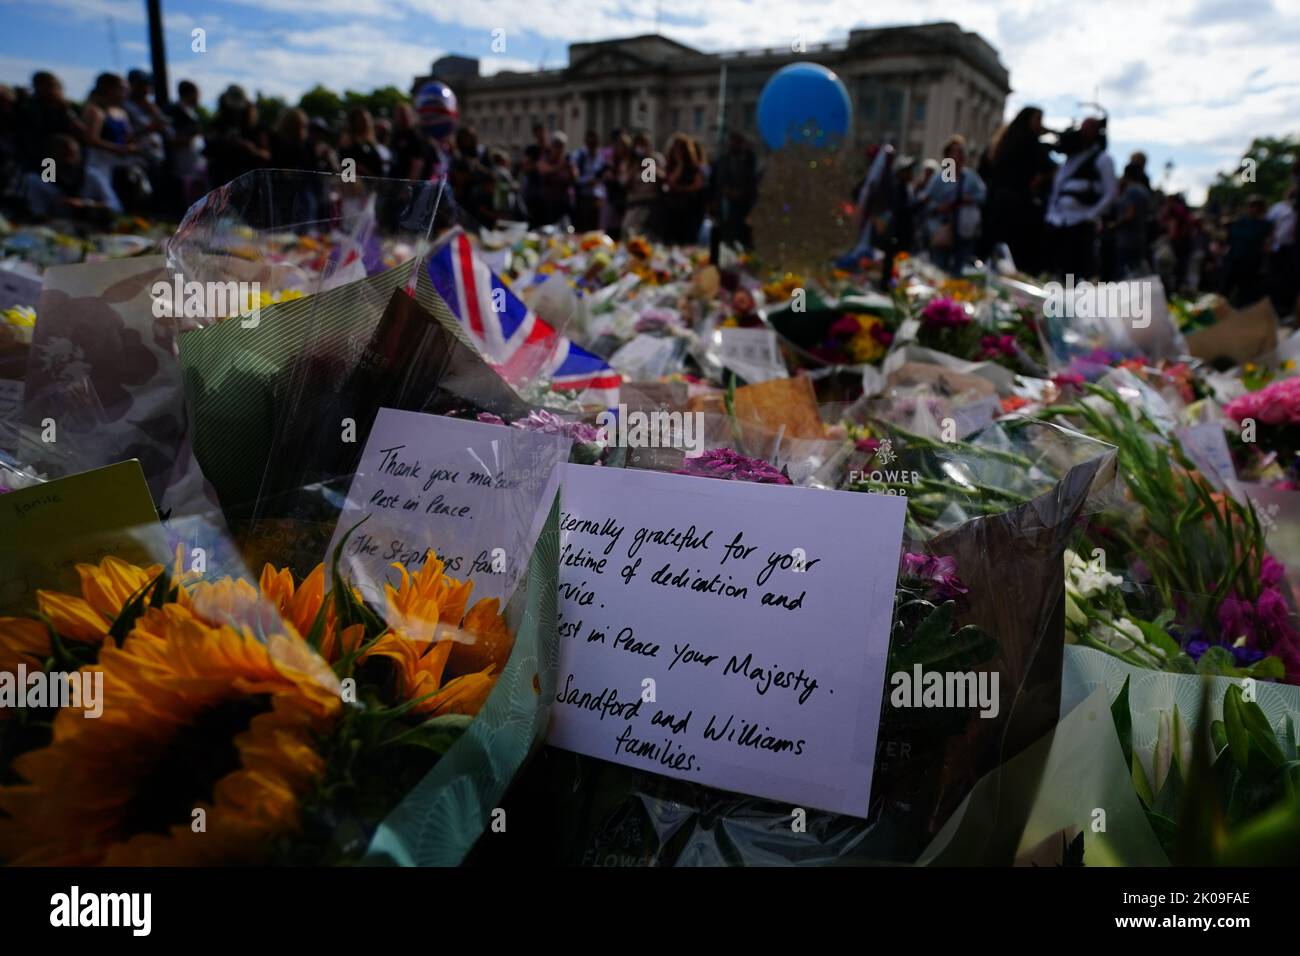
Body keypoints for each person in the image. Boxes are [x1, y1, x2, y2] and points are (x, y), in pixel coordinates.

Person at [982, 106, 1055, 273]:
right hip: (1018, 208)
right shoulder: (1029, 142)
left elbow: (985, 170)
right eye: (1038, 120)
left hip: (996, 205)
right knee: (1016, 260)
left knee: (996, 257)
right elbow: (1049, 168)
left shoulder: (1001, 143)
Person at [1045, 116, 1117, 278]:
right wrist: (1051, 213)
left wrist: (1090, 215)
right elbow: (1057, 187)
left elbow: (1111, 192)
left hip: (1080, 224)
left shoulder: (1103, 159)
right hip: (1059, 221)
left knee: (1074, 273)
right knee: (1055, 269)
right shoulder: (1072, 158)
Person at [919, 134, 987, 274]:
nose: (961, 154)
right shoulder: (941, 177)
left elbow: (983, 196)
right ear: (948, 155)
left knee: (960, 272)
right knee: (939, 271)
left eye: (962, 151)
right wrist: (939, 208)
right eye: (957, 151)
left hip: (965, 233)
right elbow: (926, 202)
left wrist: (970, 199)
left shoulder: (970, 177)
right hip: (943, 230)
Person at [23, 133, 121, 221]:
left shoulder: (92, 176)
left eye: (73, 154)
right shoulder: (38, 180)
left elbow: (115, 207)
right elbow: (37, 213)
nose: (69, 160)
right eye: (63, 155)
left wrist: (85, 204)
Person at [205, 85, 270, 188]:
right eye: (231, 109)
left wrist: (251, 149)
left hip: (249, 183)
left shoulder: (256, 126)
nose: (235, 112)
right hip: (222, 182)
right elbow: (208, 152)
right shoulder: (218, 124)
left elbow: (266, 155)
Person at [1221, 195, 1274, 306]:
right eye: (1251, 206)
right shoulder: (1238, 222)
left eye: (1256, 206)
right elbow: (1227, 238)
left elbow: (1267, 244)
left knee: (1246, 295)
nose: (1253, 209)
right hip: (1233, 260)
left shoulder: (1265, 225)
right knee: (1224, 290)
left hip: (1251, 264)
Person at [711, 130, 758, 249]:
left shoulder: (749, 160)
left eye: (737, 142)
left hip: (743, 206)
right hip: (724, 205)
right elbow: (715, 181)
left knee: (742, 237)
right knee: (724, 237)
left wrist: (740, 193)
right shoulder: (722, 160)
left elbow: (752, 183)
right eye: (731, 141)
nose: (733, 144)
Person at [165, 80, 206, 210]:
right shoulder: (174, 110)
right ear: (191, 93)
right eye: (197, 94)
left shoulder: (191, 111)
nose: (199, 97)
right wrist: (188, 137)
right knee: (187, 188)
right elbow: (170, 137)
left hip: (195, 157)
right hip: (182, 158)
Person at [663, 132, 707, 245]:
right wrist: (680, 165)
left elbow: (697, 185)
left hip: (690, 208)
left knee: (687, 240)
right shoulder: (670, 166)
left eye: (680, 149)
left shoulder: (694, 167)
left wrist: (680, 189)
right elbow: (670, 182)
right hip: (673, 209)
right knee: (671, 239)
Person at [1113, 161, 1153, 278]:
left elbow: (1130, 214)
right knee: (1137, 270)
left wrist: (1114, 225)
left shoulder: (1132, 191)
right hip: (1140, 236)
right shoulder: (1143, 191)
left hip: (1128, 238)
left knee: (1126, 272)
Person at [623, 131, 664, 238]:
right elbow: (626, 184)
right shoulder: (631, 162)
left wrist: (650, 164)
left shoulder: (656, 159)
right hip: (634, 204)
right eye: (639, 144)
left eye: (644, 144)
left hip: (651, 205)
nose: (642, 147)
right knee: (628, 232)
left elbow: (663, 179)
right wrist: (636, 166)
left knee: (647, 236)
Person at [533, 130, 574, 227]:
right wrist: (560, 166)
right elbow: (543, 170)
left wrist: (571, 169)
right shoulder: (545, 158)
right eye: (557, 145)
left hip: (564, 203)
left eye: (561, 146)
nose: (559, 149)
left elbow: (574, 179)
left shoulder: (567, 161)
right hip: (547, 204)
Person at [597, 132, 631, 238]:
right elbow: (599, 175)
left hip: (625, 204)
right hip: (611, 203)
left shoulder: (630, 163)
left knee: (623, 233)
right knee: (608, 234)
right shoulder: (609, 163)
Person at [571, 129, 604, 232]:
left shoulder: (600, 156)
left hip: (596, 199)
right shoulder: (579, 155)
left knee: (595, 230)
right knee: (582, 229)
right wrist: (587, 182)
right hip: (583, 198)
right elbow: (575, 177)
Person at [339, 107, 385, 180]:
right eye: (362, 120)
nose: (366, 123)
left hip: (373, 185)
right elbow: (347, 168)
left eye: (368, 120)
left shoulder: (370, 143)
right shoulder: (348, 143)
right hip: (356, 186)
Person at [389, 103, 429, 180]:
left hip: (409, 186)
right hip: (394, 183)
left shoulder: (416, 137)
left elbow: (417, 166)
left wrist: (406, 188)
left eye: (406, 115)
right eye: (400, 115)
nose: (404, 118)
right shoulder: (395, 136)